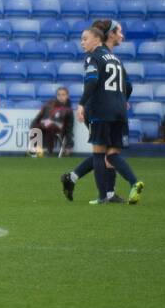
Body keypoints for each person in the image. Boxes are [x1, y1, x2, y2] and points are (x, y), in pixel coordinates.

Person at [63, 22, 143, 205]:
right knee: (112, 154)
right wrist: (122, 99)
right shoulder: (115, 59)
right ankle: (128, 184)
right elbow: (129, 86)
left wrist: (82, 104)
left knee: (99, 153)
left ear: (97, 39)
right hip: (120, 111)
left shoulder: (93, 57)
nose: (82, 43)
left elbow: (91, 81)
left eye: (85, 39)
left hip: (101, 110)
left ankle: (102, 196)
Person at [30, 86, 74, 157]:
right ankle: (36, 150)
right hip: (45, 126)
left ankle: (49, 151)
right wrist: (34, 124)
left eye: (63, 95)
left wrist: (69, 145)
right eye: (59, 95)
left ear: (67, 96)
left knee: (51, 126)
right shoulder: (48, 105)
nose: (61, 97)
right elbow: (38, 117)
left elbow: (69, 128)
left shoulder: (69, 110)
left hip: (59, 129)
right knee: (35, 126)